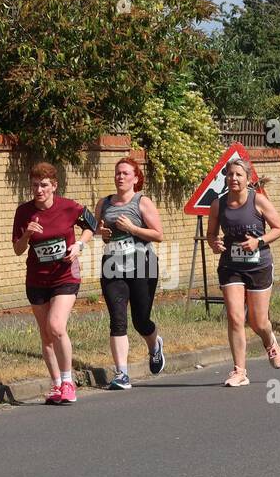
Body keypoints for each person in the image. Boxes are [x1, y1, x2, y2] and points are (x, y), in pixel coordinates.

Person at [12, 162, 97, 404]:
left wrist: (79, 245)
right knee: (46, 334)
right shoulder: (24, 212)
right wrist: (27, 234)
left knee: (56, 325)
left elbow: (92, 225)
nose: (39, 190)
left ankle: (69, 382)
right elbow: (18, 250)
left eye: (44, 185)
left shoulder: (69, 207)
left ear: (54, 186)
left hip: (65, 276)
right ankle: (57, 385)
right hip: (37, 279)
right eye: (35, 185)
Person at [208, 158, 280, 385]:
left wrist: (258, 241)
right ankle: (239, 371)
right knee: (235, 317)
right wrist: (214, 244)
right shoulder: (218, 204)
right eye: (230, 174)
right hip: (231, 266)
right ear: (225, 177)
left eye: (238, 175)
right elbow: (211, 234)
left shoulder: (258, 200)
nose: (233, 178)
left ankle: (269, 341)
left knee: (258, 322)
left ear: (248, 178)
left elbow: (279, 228)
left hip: (259, 265)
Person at [96, 156, 165, 389]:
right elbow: (98, 230)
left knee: (140, 320)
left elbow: (158, 234)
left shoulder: (141, 202)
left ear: (136, 178)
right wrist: (103, 233)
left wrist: (133, 228)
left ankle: (155, 346)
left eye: (125, 173)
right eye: (118, 173)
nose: (120, 177)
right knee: (117, 319)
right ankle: (122, 374)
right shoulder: (104, 203)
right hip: (112, 265)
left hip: (143, 265)